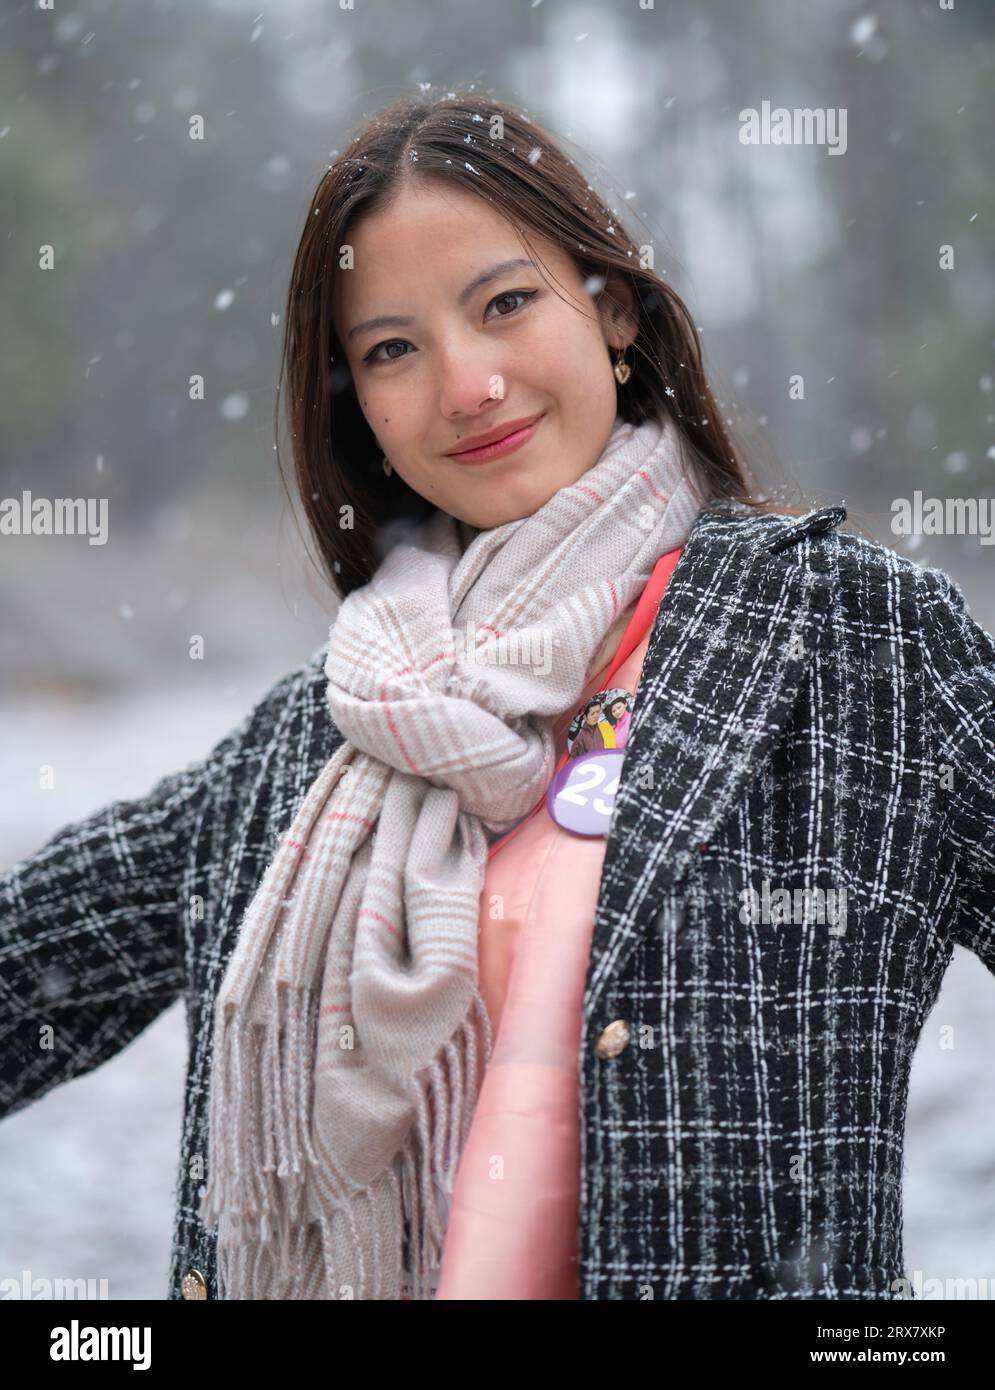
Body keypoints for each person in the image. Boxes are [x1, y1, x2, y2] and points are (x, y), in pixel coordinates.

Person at [2, 87, 993, 1303]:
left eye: (505, 304)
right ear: (358, 406)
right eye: (391, 349)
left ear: (612, 309)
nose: (464, 385)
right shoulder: (318, 737)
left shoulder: (848, 647)